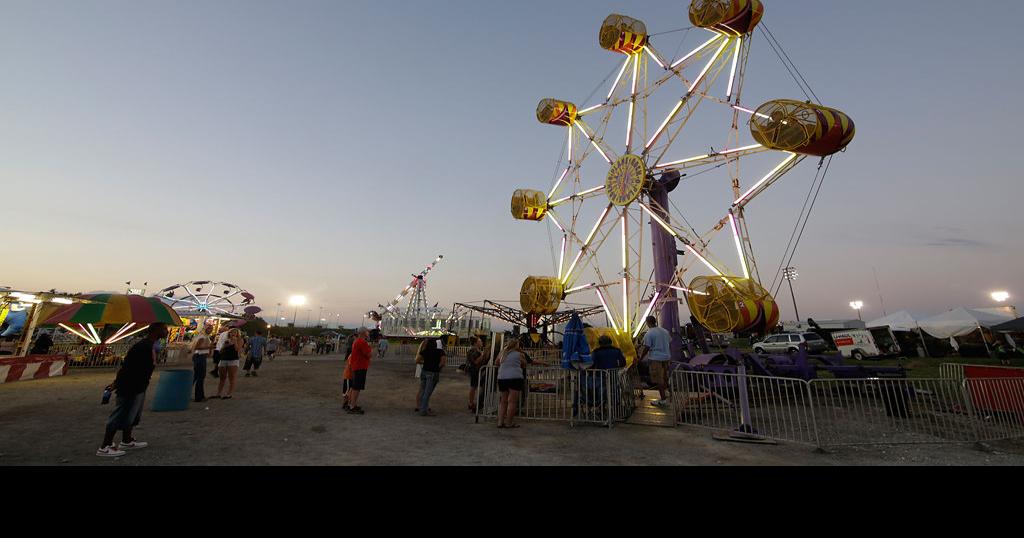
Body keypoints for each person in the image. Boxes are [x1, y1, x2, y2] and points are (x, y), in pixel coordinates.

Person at [96, 323, 168, 457]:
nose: (167, 331)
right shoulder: (143, 347)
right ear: (156, 331)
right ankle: (105, 446)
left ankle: (126, 440)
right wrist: (116, 383)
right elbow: (129, 367)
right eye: (164, 329)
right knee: (121, 413)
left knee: (133, 414)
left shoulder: (150, 346)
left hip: (139, 384)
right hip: (130, 385)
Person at [638, 316, 672, 407]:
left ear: (647, 323)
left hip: (656, 359)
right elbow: (669, 341)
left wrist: (641, 358)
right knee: (665, 376)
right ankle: (666, 393)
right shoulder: (665, 331)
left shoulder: (649, 334)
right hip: (666, 357)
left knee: (658, 379)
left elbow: (647, 347)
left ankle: (663, 400)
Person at [495, 339, 526, 429]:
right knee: (512, 402)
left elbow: (496, 362)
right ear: (516, 345)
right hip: (515, 378)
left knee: (503, 401)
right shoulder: (519, 354)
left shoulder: (502, 353)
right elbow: (524, 364)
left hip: (502, 378)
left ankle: (500, 422)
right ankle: (509, 422)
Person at [345, 328, 373, 415]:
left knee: (354, 387)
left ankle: (351, 404)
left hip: (356, 366)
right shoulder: (362, 342)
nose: (368, 333)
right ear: (364, 333)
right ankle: (352, 406)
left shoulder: (356, 341)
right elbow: (369, 354)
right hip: (360, 366)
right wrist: (370, 349)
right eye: (367, 332)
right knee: (357, 387)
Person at [417, 338, 447, 417]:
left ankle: (421, 407)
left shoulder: (425, 351)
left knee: (423, 391)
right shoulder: (440, 352)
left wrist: (425, 362)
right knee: (428, 392)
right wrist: (438, 367)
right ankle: (424, 410)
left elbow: (417, 360)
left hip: (424, 371)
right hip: (433, 372)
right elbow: (443, 362)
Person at [214, 329, 243, 399]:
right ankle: (218, 393)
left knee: (231, 377)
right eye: (231, 332)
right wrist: (225, 345)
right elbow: (220, 351)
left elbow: (237, 349)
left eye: (234, 332)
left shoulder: (239, 340)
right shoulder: (226, 340)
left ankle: (229, 394)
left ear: (237, 334)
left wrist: (235, 341)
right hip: (223, 359)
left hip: (233, 360)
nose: (232, 334)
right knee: (222, 378)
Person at [190, 325, 214, 402]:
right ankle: (199, 396)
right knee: (200, 377)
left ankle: (187, 393)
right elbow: (197, 347)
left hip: (199, 356)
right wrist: (209, 348)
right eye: (209, 328)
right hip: (200, 356)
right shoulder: (203, 337)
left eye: (211, 329)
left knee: (196, 377)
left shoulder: (203, 336)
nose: (210, 330)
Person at [466, 337, 487, 412]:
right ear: (475, 343)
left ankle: (473, 403)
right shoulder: (473, 351)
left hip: (478, 370)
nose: (481, 342)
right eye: (480, 341)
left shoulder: (477, 350)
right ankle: (471, 403)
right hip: (475, 370)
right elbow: (475, 362)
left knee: (476, 386)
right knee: (474, 386)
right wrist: (483, 355)